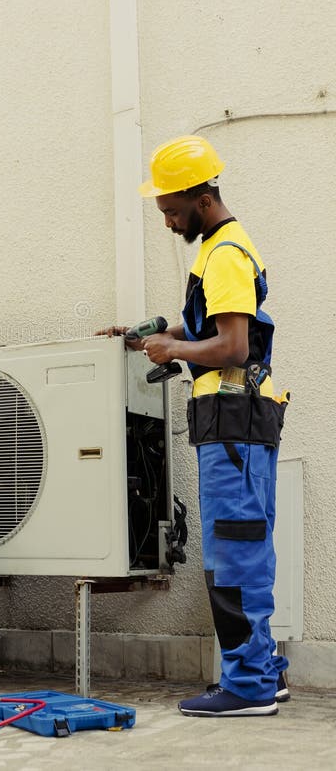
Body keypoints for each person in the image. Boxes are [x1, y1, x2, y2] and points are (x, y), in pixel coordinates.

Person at [102, 135, 289, 717]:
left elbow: (233, 346)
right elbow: (206, 331)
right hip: (232, 422)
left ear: (201, 197)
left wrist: (172, 350)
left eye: (170, 209)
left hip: (234, 423)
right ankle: (266, 672)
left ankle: (251, 687)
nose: (165, 222)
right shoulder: (214, 249)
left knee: (235, 557)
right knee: (243, 548)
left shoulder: (227, 252)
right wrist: (149, 339)